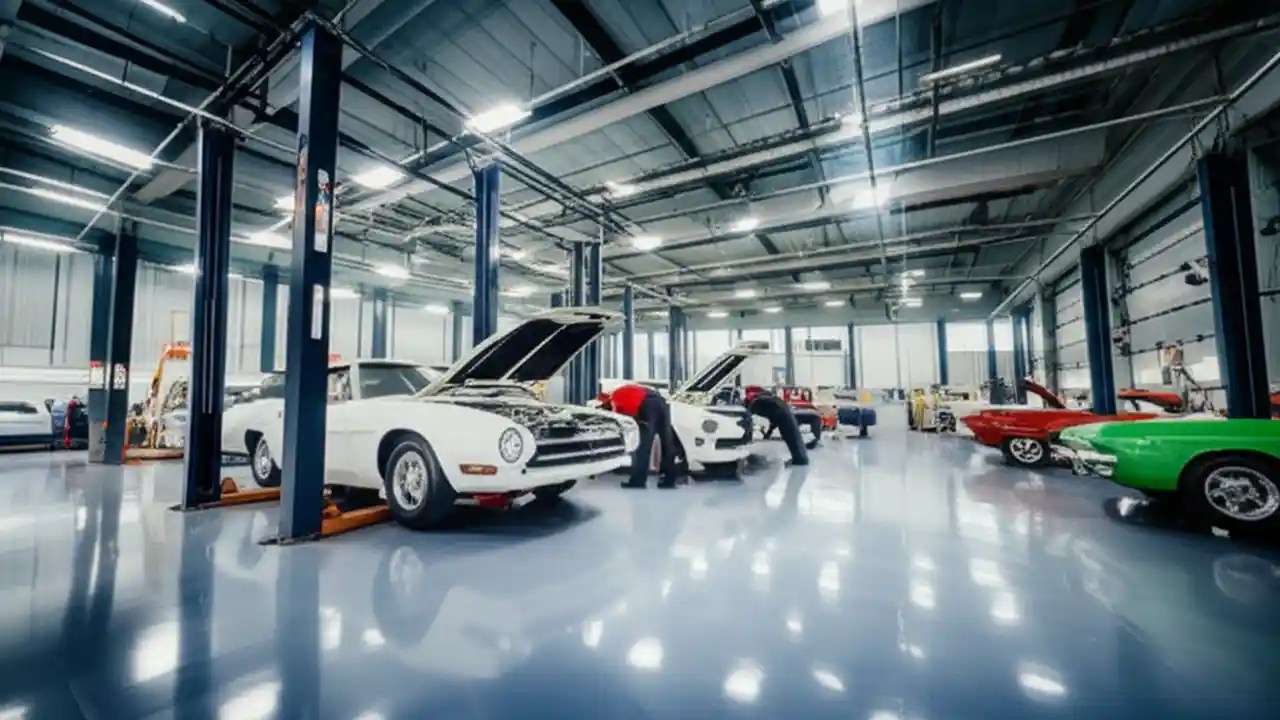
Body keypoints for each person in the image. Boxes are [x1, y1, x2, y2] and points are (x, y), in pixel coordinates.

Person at [601, 383, 678, 489]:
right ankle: (668, 480)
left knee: (641, 446)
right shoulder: (621, 391)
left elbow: (628, 418)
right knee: (667, 443)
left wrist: (640, 422)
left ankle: (638, 481)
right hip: (661, 401)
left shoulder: (614, 400)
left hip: (647, 405)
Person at [747, 389, 811, 466]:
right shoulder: (766, 399)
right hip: (784, 410)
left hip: (782, 413)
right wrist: (767, 434)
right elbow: (772, 420)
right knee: (793, 437)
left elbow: (748, 418)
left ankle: (800, 460)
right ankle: (800, 458)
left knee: (791, 437)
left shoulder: (755, 403)